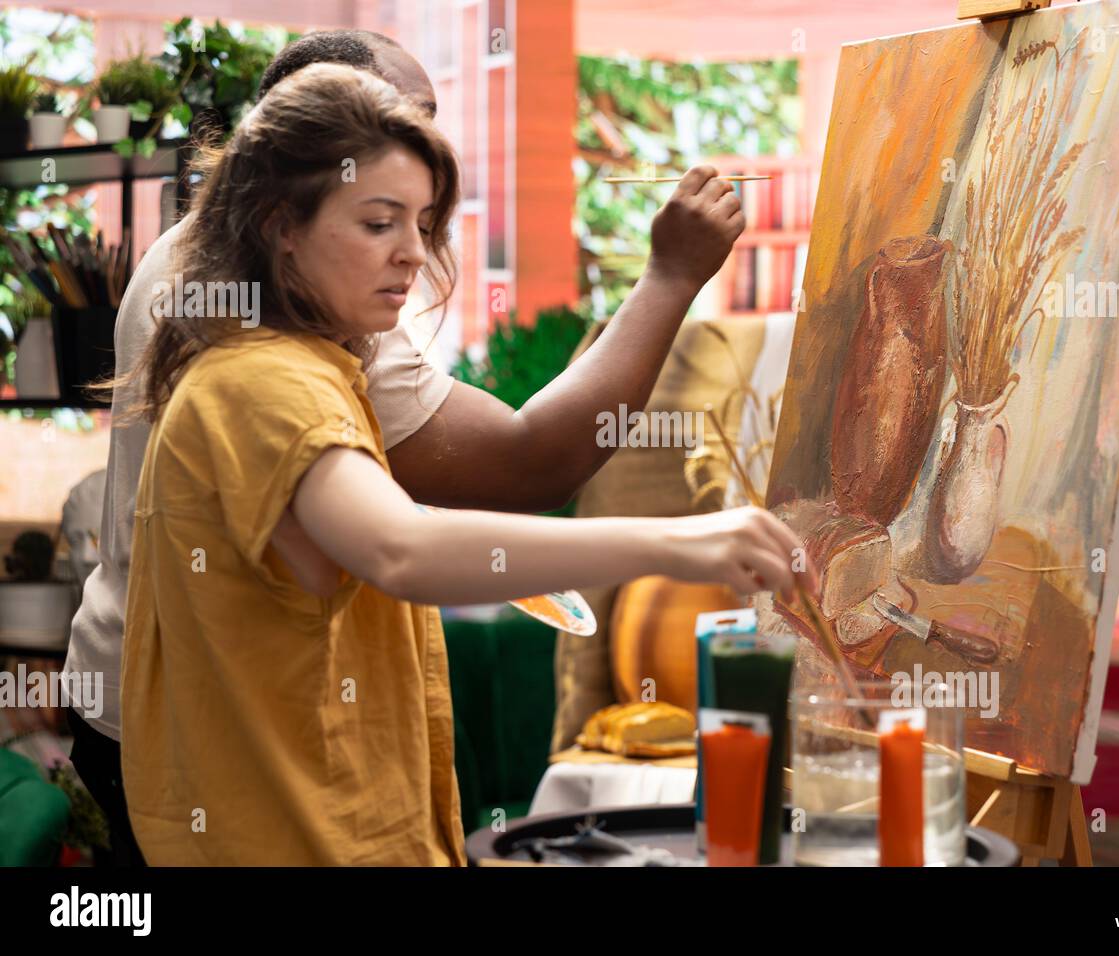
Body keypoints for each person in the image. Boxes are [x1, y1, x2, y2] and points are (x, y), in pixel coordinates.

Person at [61, 29, 791, 865]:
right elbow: (410, 543)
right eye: (379, 220)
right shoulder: (258, 375)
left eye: (420, 220)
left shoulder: (302, 348)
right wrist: (684, 539)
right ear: (280, 223)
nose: (414, 253)